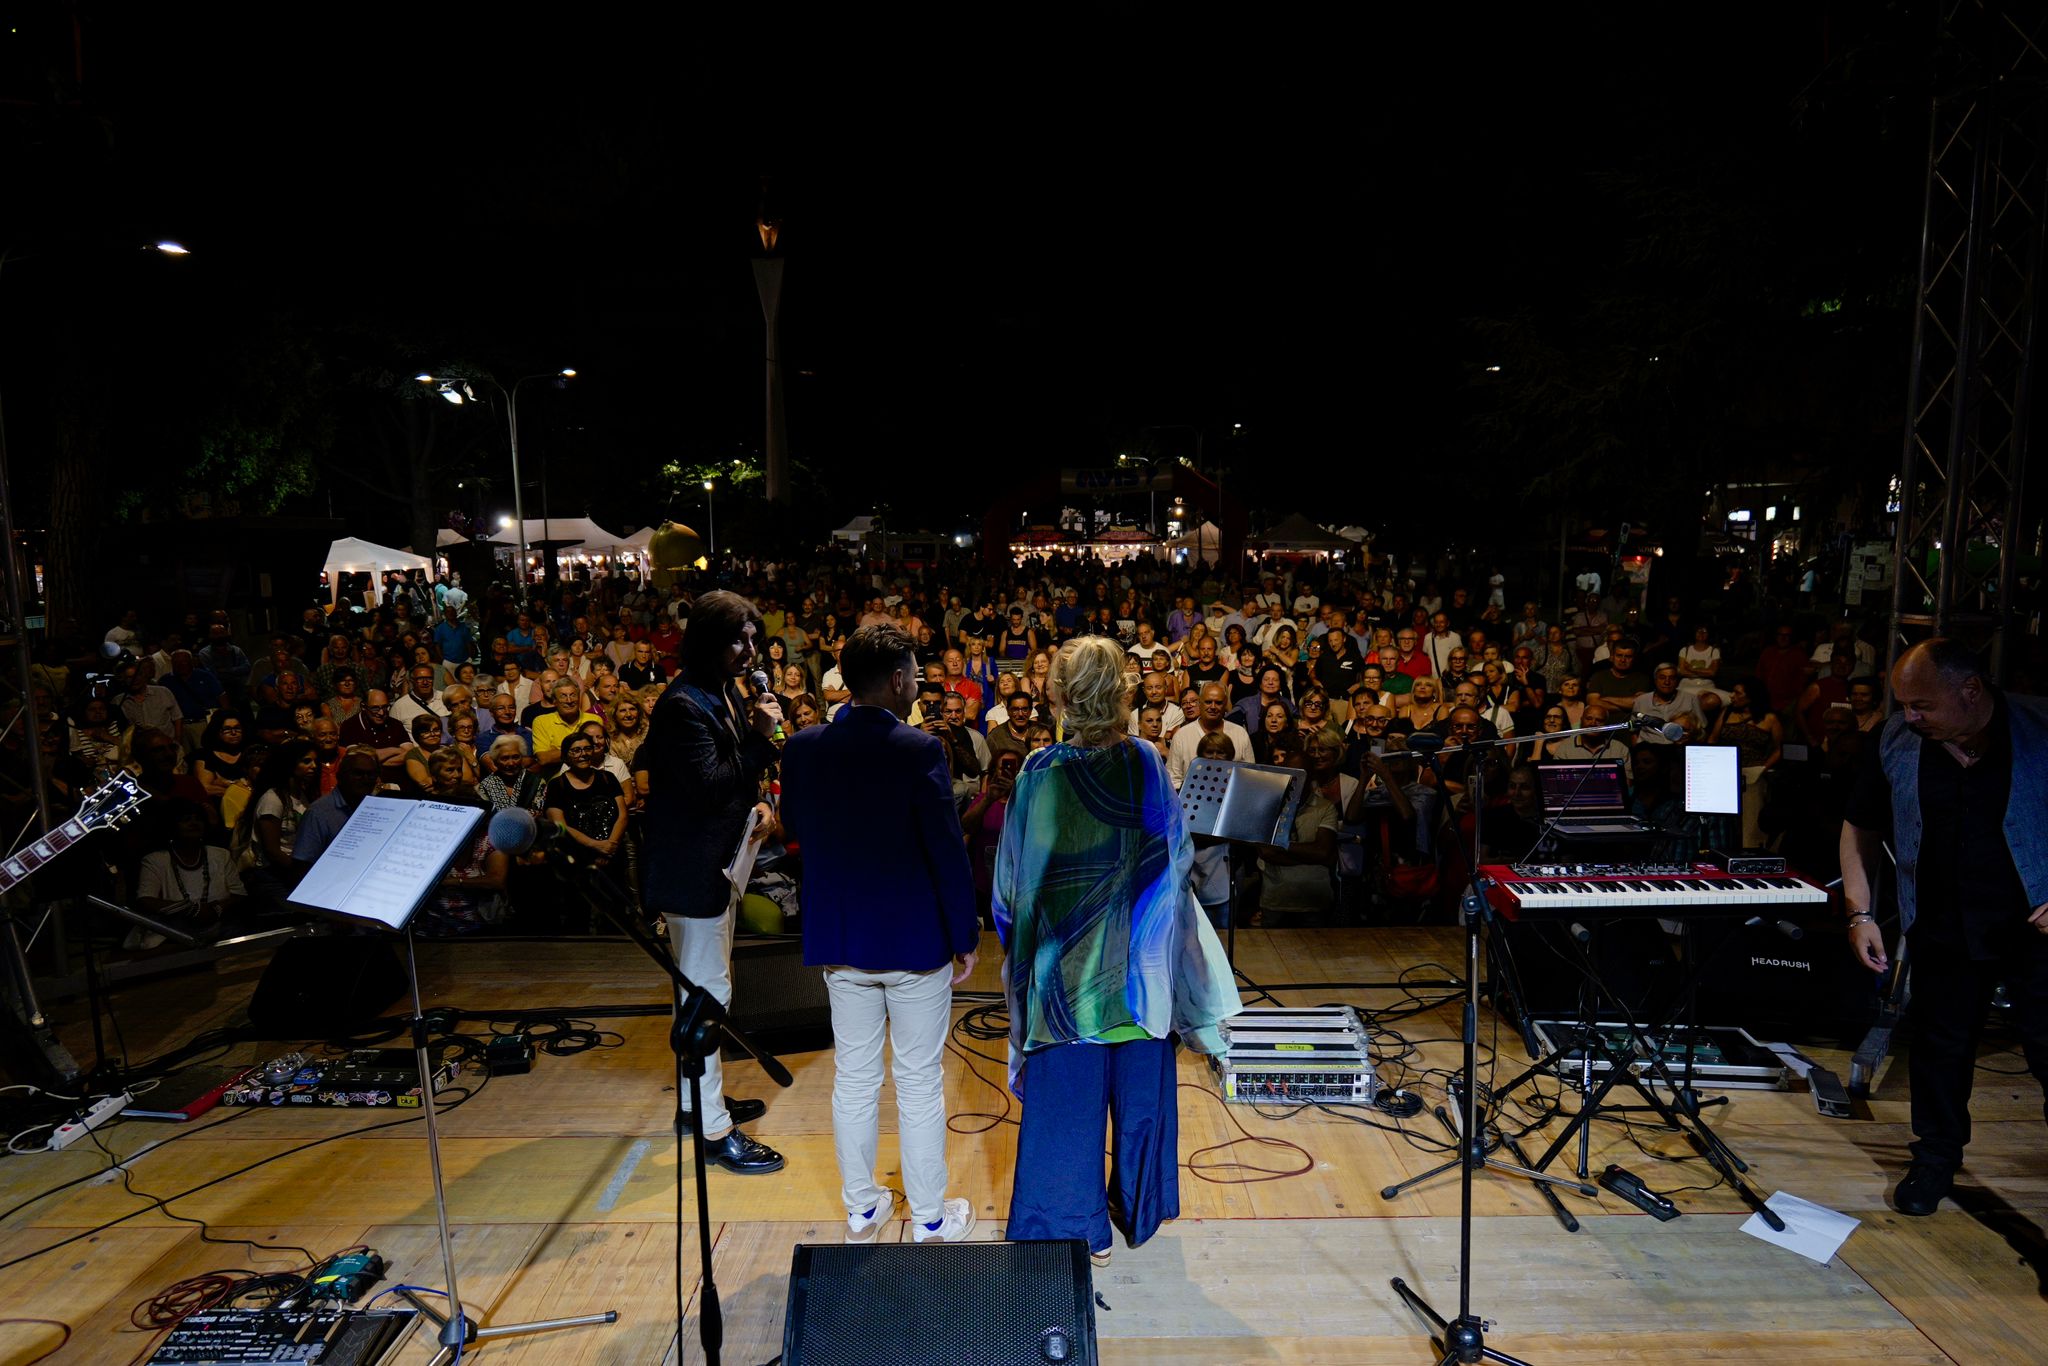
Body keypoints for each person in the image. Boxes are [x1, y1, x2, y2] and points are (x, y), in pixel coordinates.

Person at [993, 636, 1240, 1266]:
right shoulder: (1146, 762)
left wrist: (1023, 953)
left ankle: (1077, 1231)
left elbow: (1010, 886)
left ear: (1060, 695)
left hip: (1063, 979)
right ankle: (1134, 1208)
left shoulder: (1038, 772)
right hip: (1139, 974)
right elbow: (1175, 861)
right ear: (1122, 693)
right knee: (1137, 1103)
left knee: (1066, 1111)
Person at [778, 623, 982, 1245]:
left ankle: (863, 1211)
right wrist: (964, 933)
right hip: (915, 940)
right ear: (897, 680)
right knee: (918, 1080)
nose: (918, 683)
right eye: (916, 674)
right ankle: (930, 1218)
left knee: (854, 1078)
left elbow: (793, 829)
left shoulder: (803, 747)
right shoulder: (918, 749)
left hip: (842, 937)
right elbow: (945, 848)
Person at [1842, 638, 2048, 1218]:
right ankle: (1935, 1157)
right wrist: (1860, 912)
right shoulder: (1898, 740)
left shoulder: (2038, 728)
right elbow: (1858, 825)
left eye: (1922, 705)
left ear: (1970, 690)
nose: (1910, 717)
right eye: (1904, 704)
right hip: (1941, 920)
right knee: (1939, 1048)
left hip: (2033, 927)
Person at [641, 590, 786, 1174]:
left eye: (753, 638)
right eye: (738, 640)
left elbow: (729, 778)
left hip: (718, 863)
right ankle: (714, 1131)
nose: (751, 651)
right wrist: (760, 739)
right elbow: (708, 787)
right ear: (706, 641)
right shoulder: (683, 705)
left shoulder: (720, 689)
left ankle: (693, 1105)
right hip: (692, 871)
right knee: (707, 999)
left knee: (696, 992)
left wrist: (759, 799)